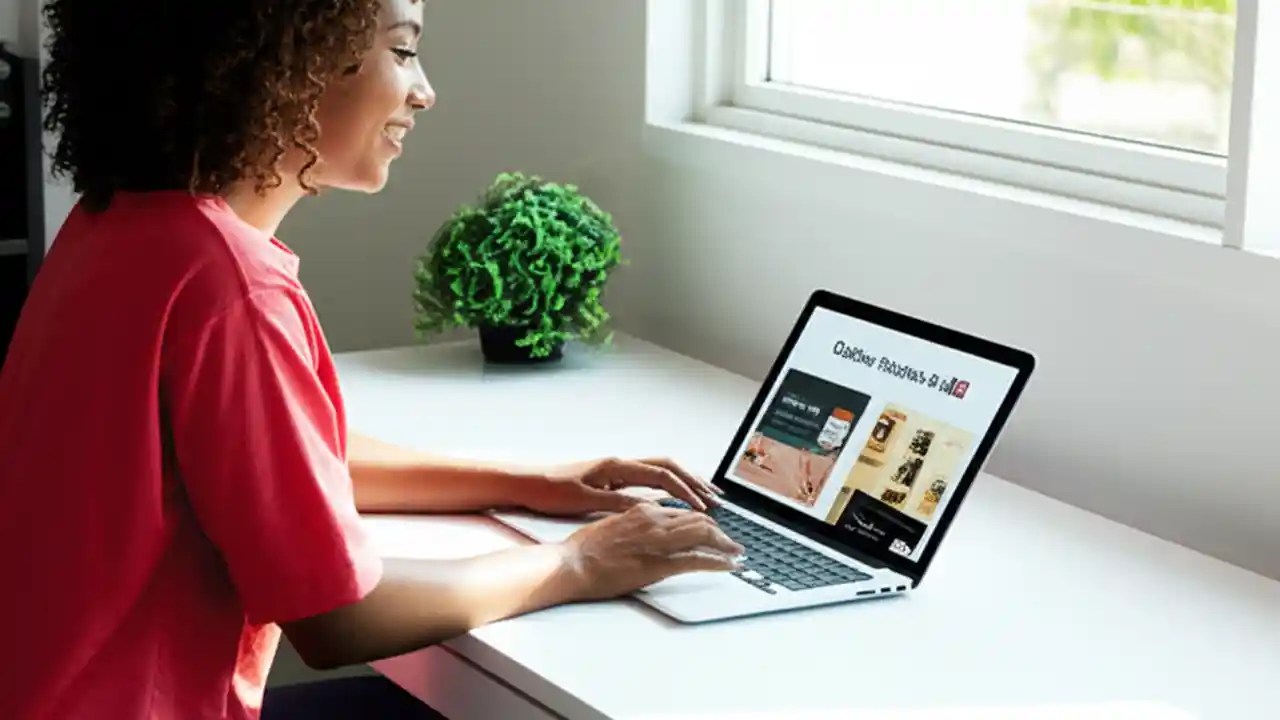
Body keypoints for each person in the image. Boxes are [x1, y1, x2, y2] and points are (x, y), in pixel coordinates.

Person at [0, 1, 744, 718]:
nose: (424, 92)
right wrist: (580, 562)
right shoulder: (229, 287)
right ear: (286, 57)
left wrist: (529, 483)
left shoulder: (117, 231)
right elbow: (337, 618)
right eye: (404, 48)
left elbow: (269, 469)